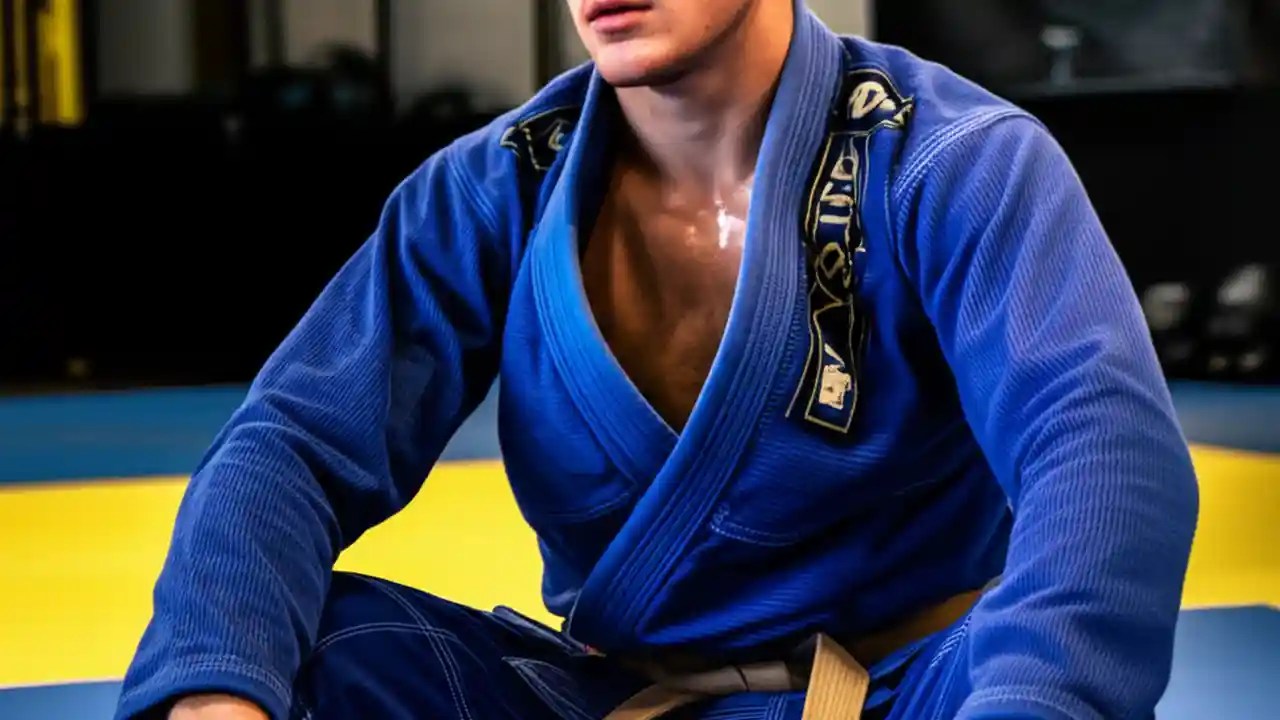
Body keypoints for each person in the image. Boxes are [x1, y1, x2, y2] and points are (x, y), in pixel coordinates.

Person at [115, 0, 1200, 718]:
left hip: (902, 694)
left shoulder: (949, 161)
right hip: (615, 700)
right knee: (297, 651)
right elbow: (291, 444)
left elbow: (1099, 453)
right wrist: (217, 694)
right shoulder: (495, 188)